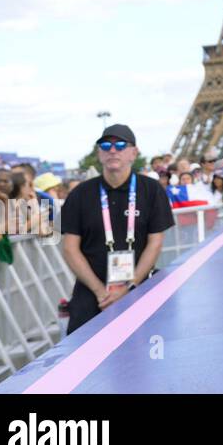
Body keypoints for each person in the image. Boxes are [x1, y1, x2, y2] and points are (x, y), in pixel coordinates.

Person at [59, 124, 173, 335]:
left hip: (140, 284)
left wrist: (129, 286)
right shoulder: (80, 194)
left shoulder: (151, 190)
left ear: (133, 153)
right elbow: (70, 248)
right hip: (93, 289)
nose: (112, 150)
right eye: (106, 145)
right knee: (80, 350)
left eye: (120, 145)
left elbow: (155, 242)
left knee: (151, 349)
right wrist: (100, 292)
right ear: (99, 153)